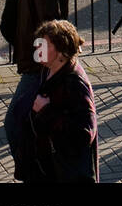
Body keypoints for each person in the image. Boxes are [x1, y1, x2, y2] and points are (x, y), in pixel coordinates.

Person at [3, 0, 70, 167]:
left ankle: (34, 173)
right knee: (26, 125)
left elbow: (51, 29)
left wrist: (47, 76)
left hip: (39, 70)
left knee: (15, 123)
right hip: (36, 66)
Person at [14, 16, 99, 182]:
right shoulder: (49, 69)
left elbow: (84, 134)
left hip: (65, 173)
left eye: (45, 46)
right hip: (46, 169)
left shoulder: (75, 84)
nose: (39, 49)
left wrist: (46, 111)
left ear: (61, 50)